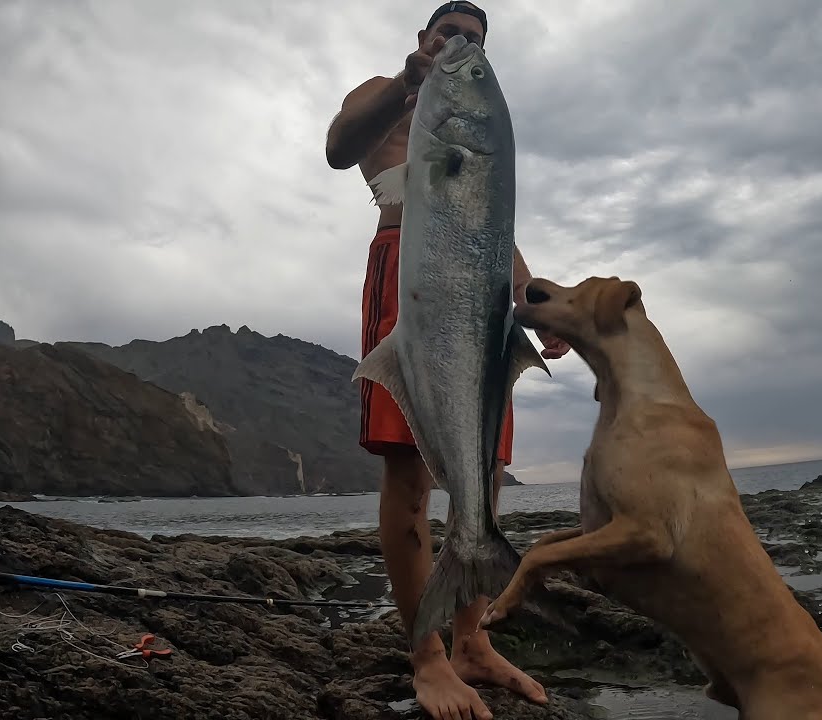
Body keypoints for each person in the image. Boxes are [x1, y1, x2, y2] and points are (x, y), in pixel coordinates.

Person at [324, 3, 570, 719]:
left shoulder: (480, 117)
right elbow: (340, 148)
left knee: (485, 469)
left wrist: (534, 298)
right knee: (410, 472)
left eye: (474, 39)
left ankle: (473, 640)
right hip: (411, 273)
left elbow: (492, 220)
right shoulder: (387, 94)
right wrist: (406, 82)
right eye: (449, 33)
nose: (458, 43)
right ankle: (426, 658)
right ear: (423, 39)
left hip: (482, 283)